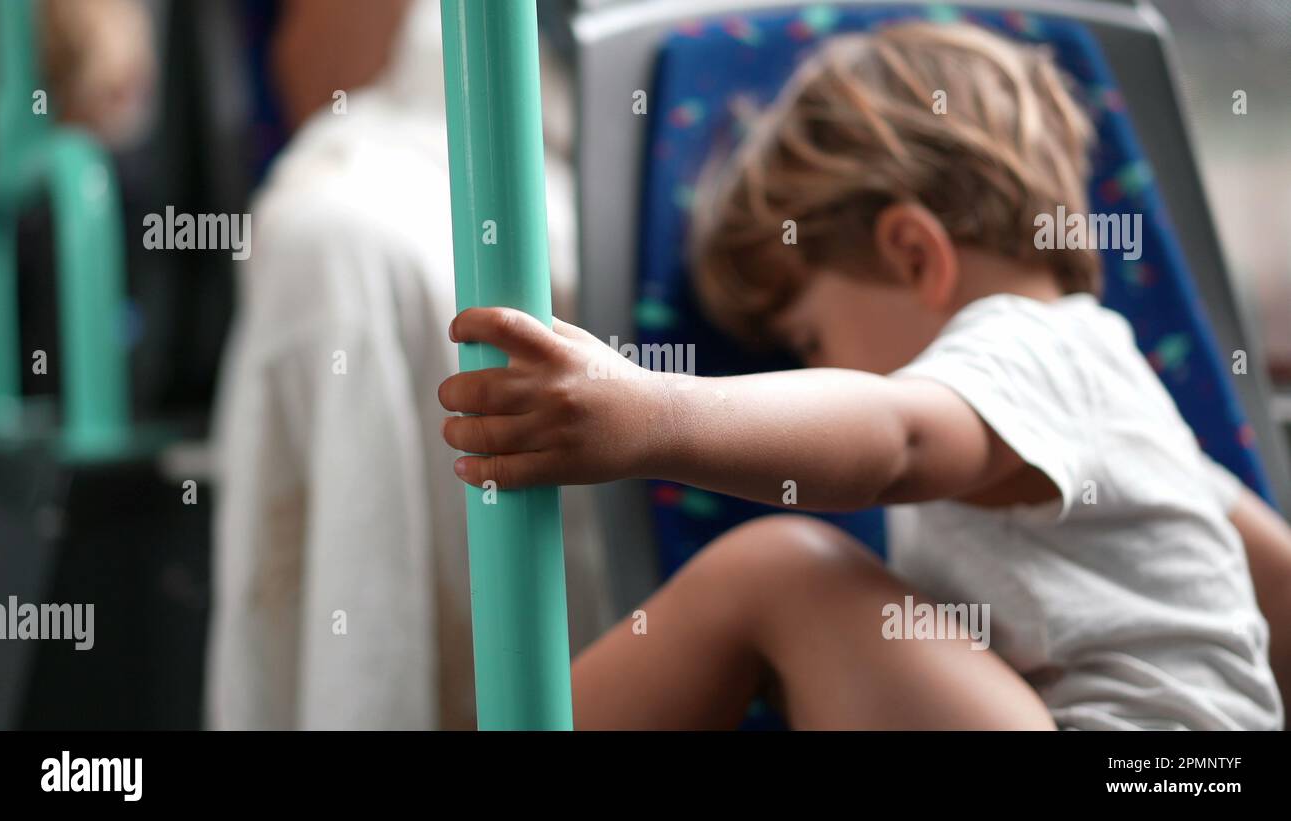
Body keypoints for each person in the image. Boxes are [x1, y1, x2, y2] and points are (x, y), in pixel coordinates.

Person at [438, 22, 1291, 729]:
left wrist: (654, 411)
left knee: (778, 568)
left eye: (809, 339)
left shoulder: (1028, 346)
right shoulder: (1126, 399)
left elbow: (897, 436)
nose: (814, 371)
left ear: (915, 255)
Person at [208, 0, 609, 730]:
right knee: (330, 248)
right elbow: (322, 73)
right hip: (431, 117)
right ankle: (355, 700)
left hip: (619, 134)